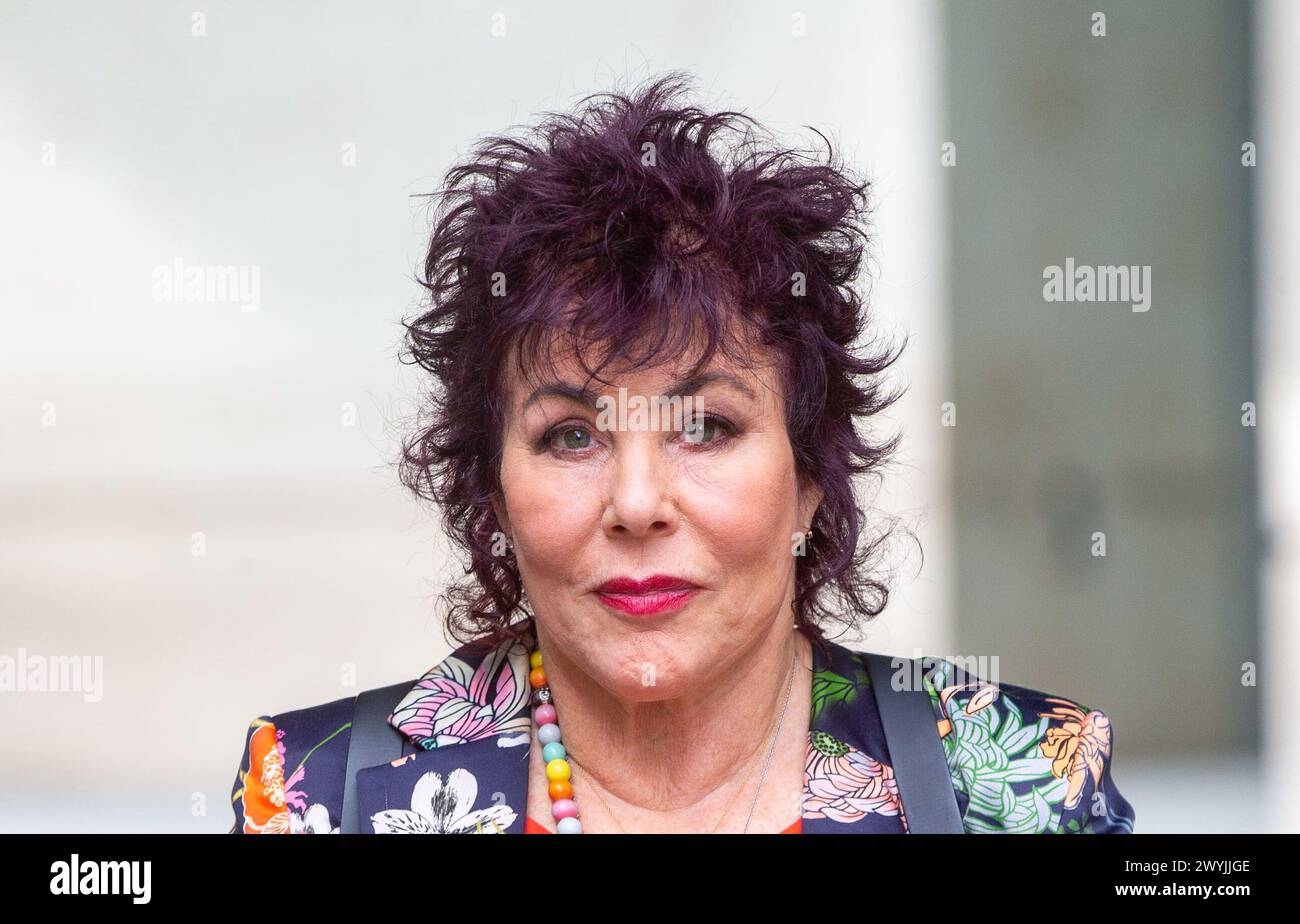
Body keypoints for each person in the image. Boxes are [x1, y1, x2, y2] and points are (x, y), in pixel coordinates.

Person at [228, 72, 1136, 835]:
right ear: (494, 493)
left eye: (704, 427)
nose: (636, 502)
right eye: (571, 435)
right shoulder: (313, 796)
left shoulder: (1029, 787)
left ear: (812, 476)